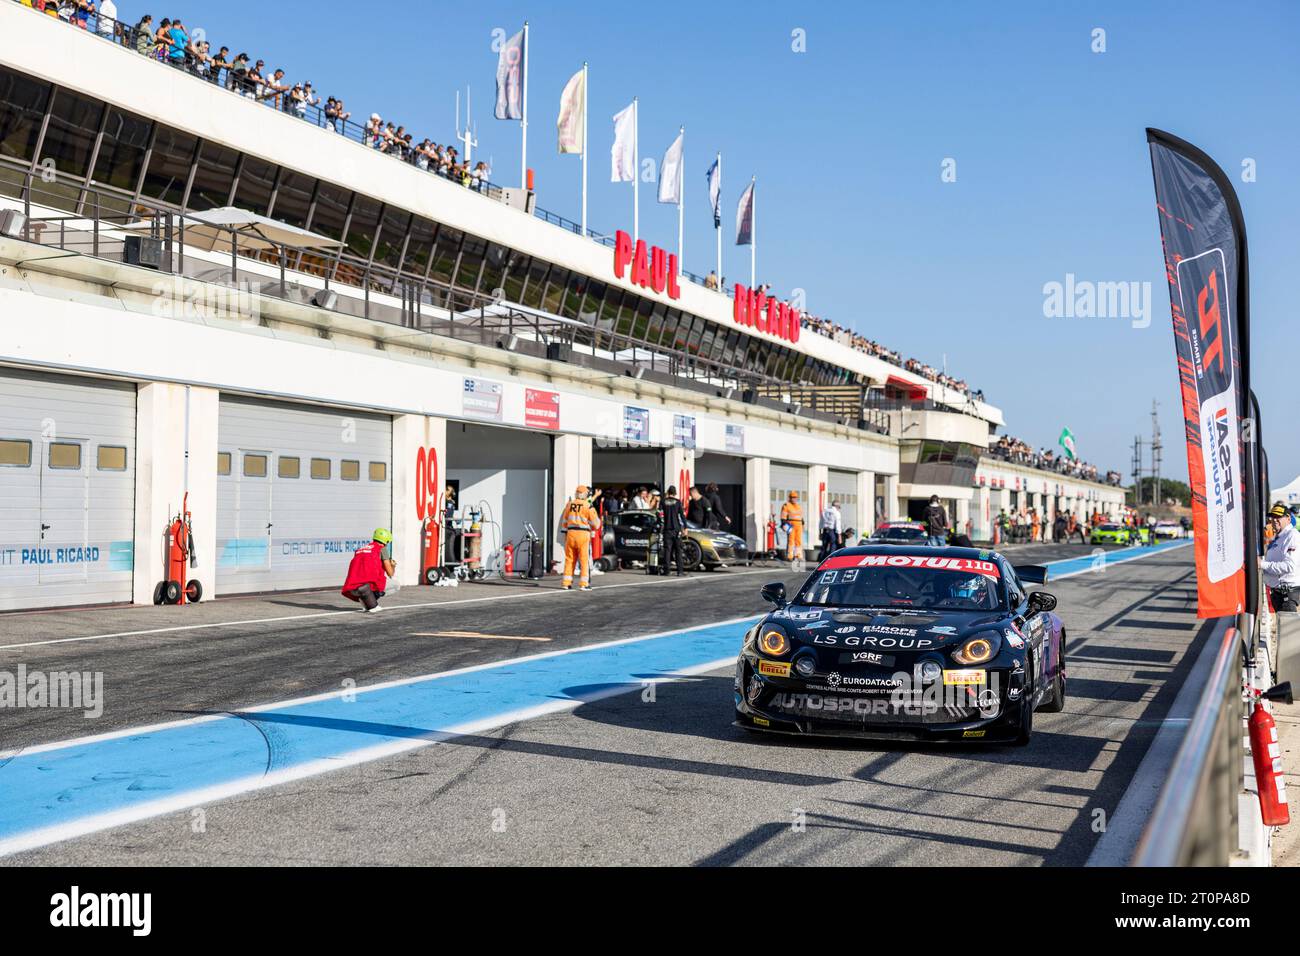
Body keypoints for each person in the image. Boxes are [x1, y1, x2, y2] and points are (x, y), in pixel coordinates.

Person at [341, 528, 396, 613]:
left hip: (353, 585)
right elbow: (390, 573)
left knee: (369, 583)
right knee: (396, 585)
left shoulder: (361, 549)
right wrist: (393, 565)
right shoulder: (382, 549)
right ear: (386, 541)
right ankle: (372, 598)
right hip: (369, 583)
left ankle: (368, 603)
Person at [558, 484, 601, 591]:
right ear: (585, 494)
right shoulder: (588, 506)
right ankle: (584, 584)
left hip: (570, 534)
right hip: (583, 534)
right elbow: (596, 524)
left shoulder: (569, 504)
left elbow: (564, 521)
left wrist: (565, 534)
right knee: (584, 560)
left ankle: (566, 583)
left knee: (569, 559)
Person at [1264, 504, 1299, 611]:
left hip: (1287, 595)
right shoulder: (1280, 537)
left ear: (1288, 519)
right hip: (1279, 593)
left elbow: (1289, 566)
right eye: (1273, 517)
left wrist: (1262, 564)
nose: (1274, 520)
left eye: (1278, 517)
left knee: (1288, 627)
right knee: (1282, 626)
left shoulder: (1292, 536)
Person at [659, 486, 687, 576]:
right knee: (678, 551)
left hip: (667, 530)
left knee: (667, 551)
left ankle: (667, 571)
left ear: (668, 492)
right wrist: (685, 527)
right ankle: (680, 571)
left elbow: (660, 515)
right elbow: (682, 516)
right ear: (675, 493)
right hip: (676, 530)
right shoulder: (678, 502)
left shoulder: (663, 502)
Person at [780, 491, 804, 561]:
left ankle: (798, 555)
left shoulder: (798, 506)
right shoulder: (786, 505)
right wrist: (783, 524)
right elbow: (783, 516)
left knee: (798, 541)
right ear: (790, 498)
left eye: (795, 498)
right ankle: (790, 556)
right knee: (791, 541)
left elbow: (801, 517)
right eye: (793, 497)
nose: (794, 499)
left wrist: (803, 524)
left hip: (799, 525)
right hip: (791, 525)